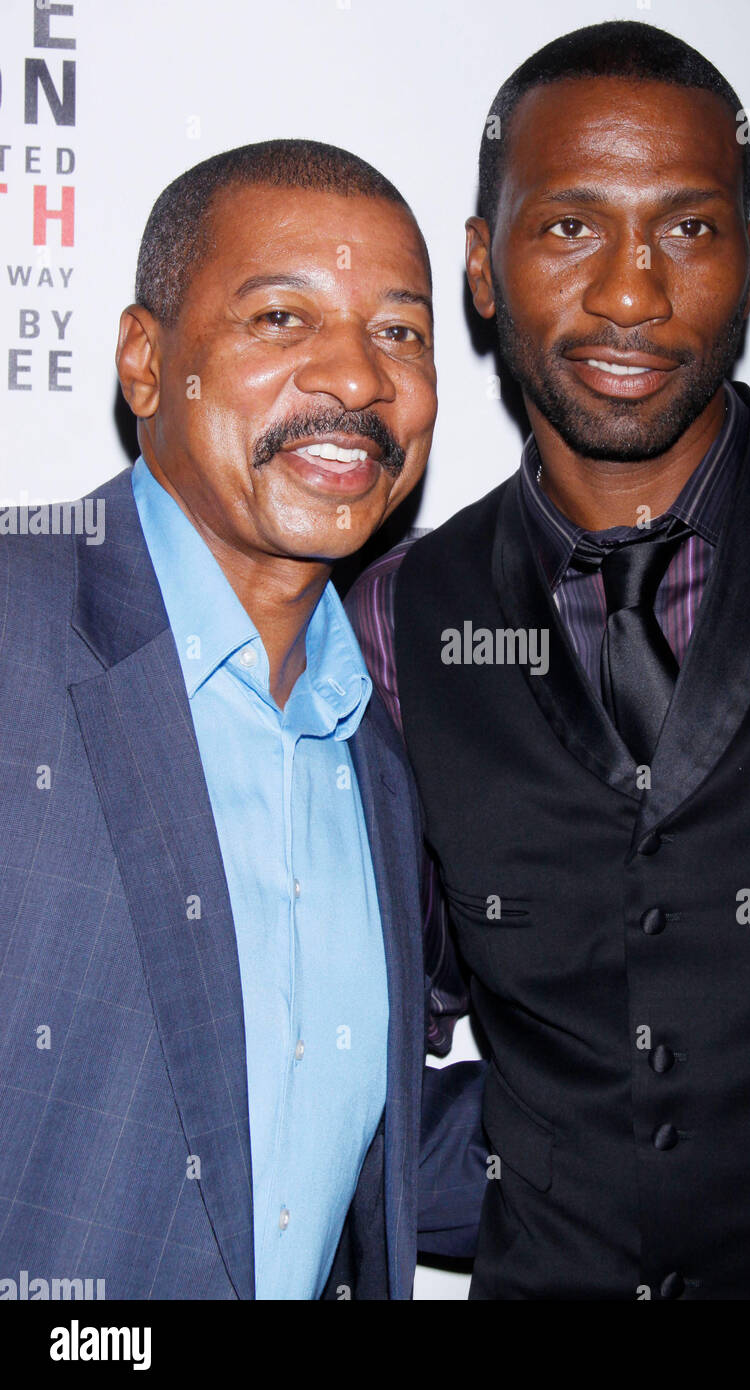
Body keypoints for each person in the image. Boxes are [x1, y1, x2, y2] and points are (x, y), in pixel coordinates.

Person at [347, 23, 750, 1299]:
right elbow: (365, 1045)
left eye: (689, 230)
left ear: (749, 263)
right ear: (483, 267)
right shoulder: (394, 617)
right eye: (570, 227)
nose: (632, 292)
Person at [0, 139, 485, 1301]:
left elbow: (319, 1118)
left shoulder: (381, 738)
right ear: (146, 361)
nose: (359, 380)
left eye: (401, 332)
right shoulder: (18, 623)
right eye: (281, 317)